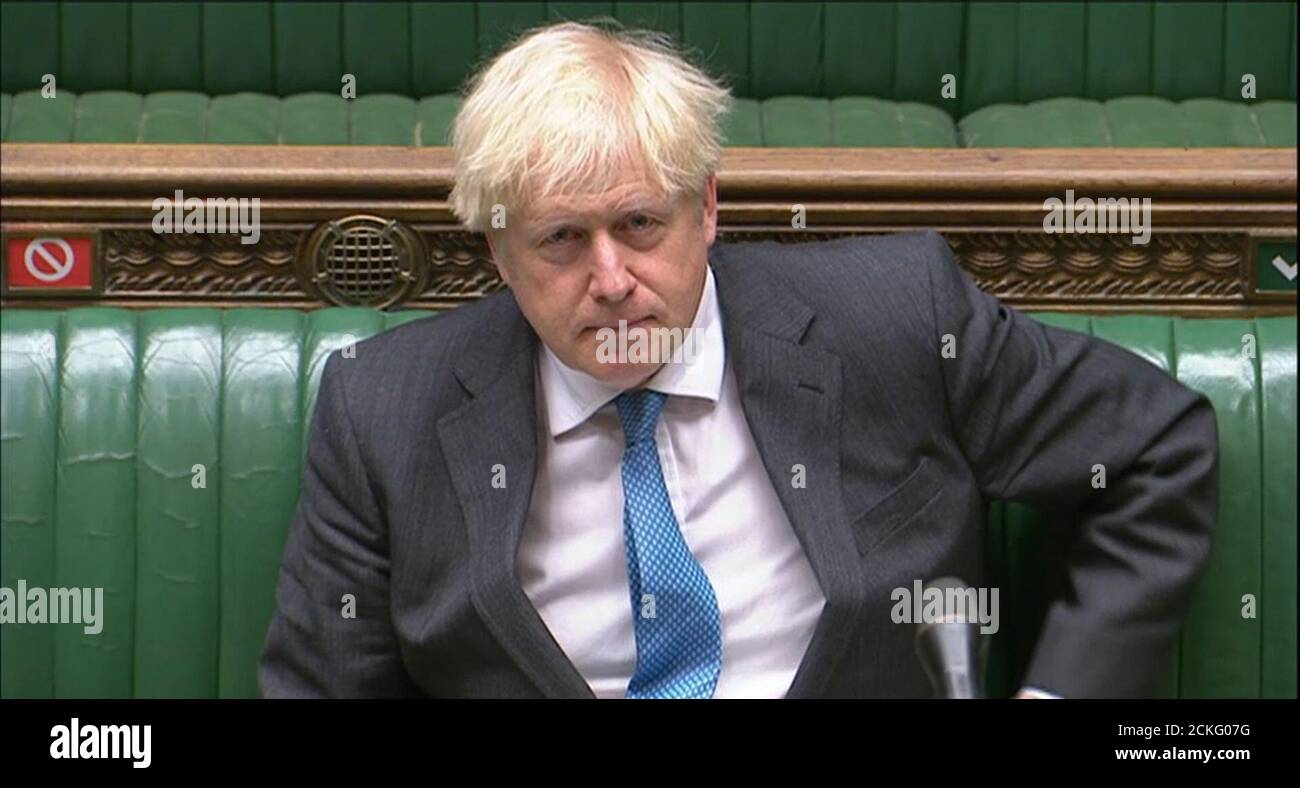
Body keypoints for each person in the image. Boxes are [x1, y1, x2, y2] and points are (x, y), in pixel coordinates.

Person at [259, 20, 1218, 699]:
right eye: (560, 240)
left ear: (707, 208)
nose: (612, 278)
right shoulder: (383, 412)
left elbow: (1155, 447)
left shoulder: (895, 318)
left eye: (640, 223)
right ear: (500, 255)